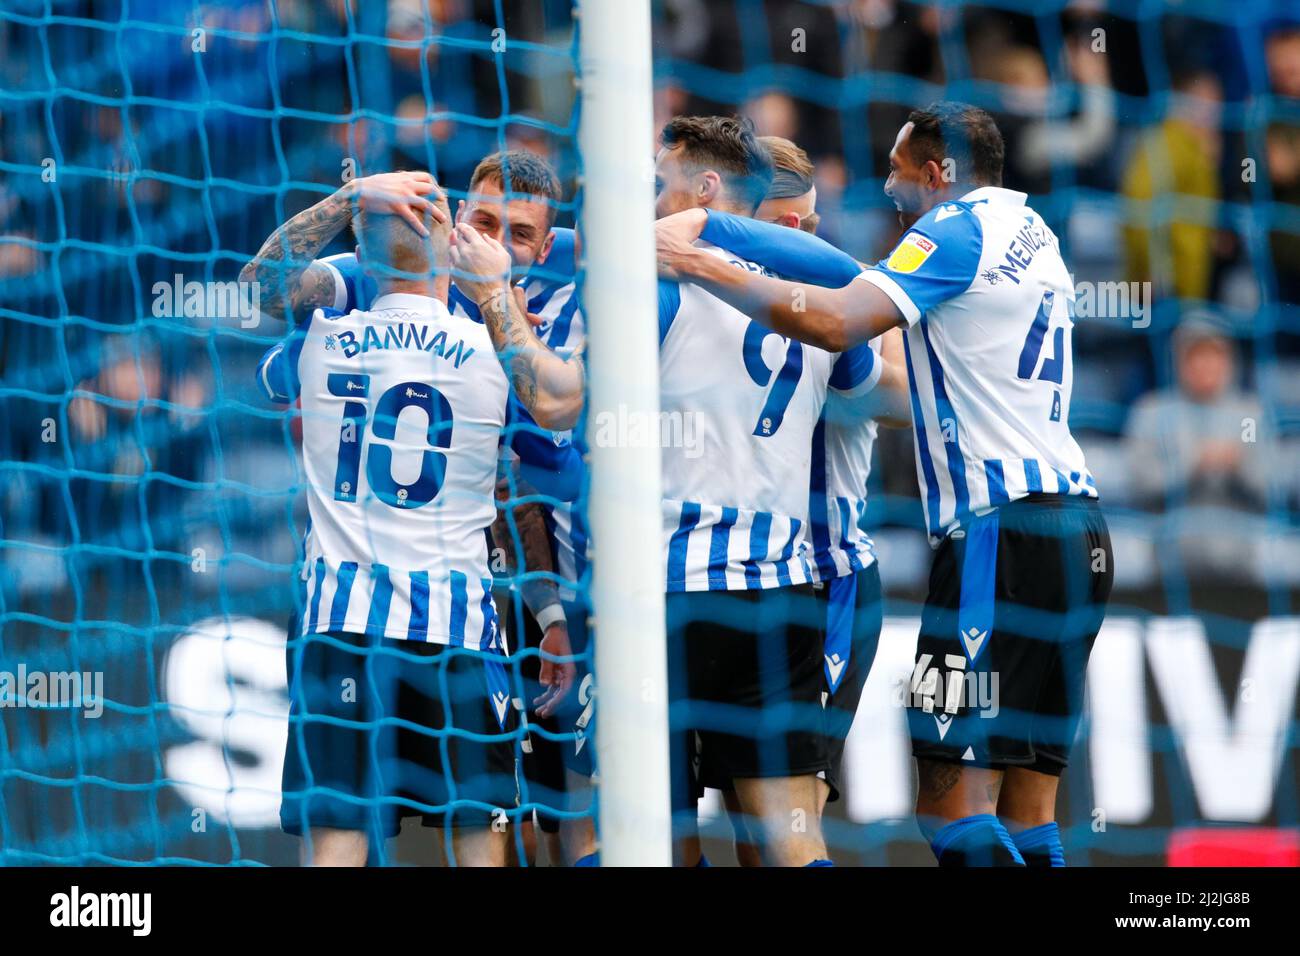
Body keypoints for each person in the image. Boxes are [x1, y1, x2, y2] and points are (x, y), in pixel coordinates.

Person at [654, 102, 1114, 866]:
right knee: (1029, 804)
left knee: (942, 802)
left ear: (937, 175)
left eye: (899, 179)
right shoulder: (1037, 237)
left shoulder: (951, 229)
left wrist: (700, 246)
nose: (891, 197)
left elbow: (840, 323)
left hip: (980, 540)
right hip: (1077, 531)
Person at [259, 190, 581, 866]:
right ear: (453, 247)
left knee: (338, 838)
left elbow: (259, 286)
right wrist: (496, 297)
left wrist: (349, 199)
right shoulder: (493, 354)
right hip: (453, 627)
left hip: (337, 624)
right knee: (479, 838)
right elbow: (559, 433)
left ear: (361, 259)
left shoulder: (321, 338)